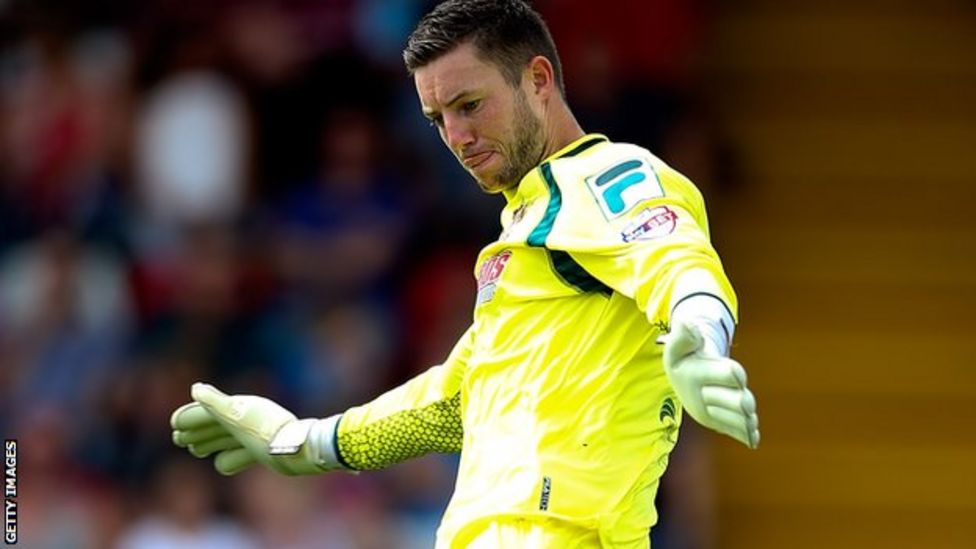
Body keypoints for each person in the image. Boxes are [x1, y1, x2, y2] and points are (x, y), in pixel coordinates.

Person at [170, 1, 760, 547]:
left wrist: (701, 337)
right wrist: (306, 443)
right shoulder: (529, 229)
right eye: (438, 119)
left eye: (470, 105)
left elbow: (675, 259)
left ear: (538, 80)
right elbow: (458, 400)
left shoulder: (603, 175)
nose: (456, 137)